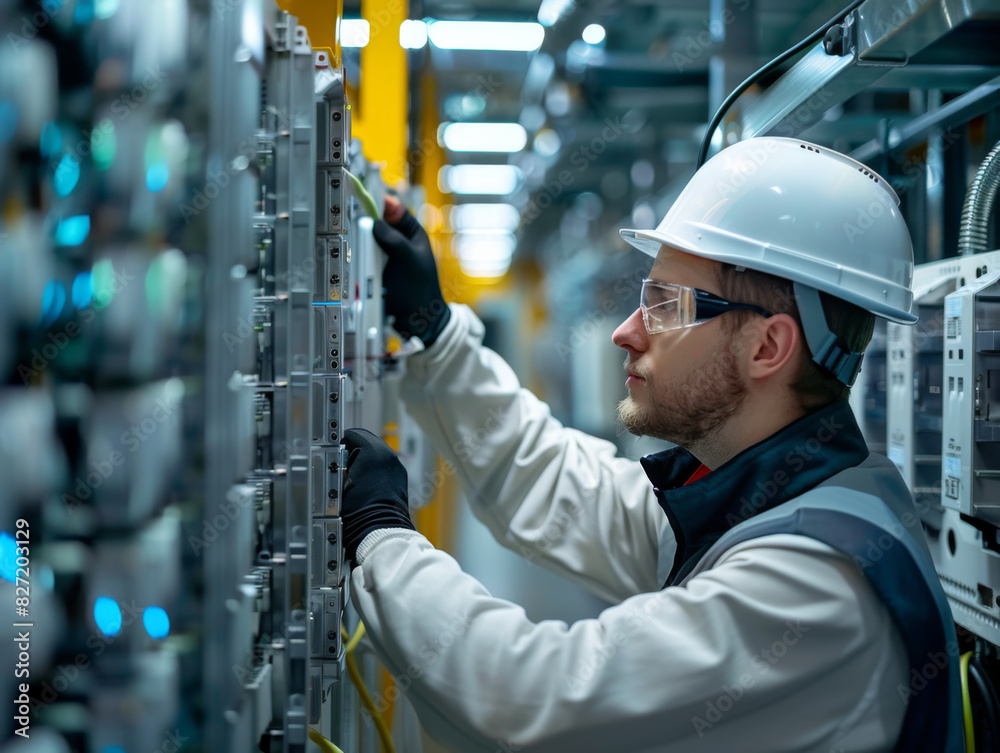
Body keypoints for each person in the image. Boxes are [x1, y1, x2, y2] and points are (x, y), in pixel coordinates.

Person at [339, 137, 964, 752]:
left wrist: (382, 536)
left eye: (665, 304)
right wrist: (436, 330)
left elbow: (532, 698)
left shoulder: (817, 587)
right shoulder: (764, 498)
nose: (625, 332)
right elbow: (562, 488)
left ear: (766, 347)